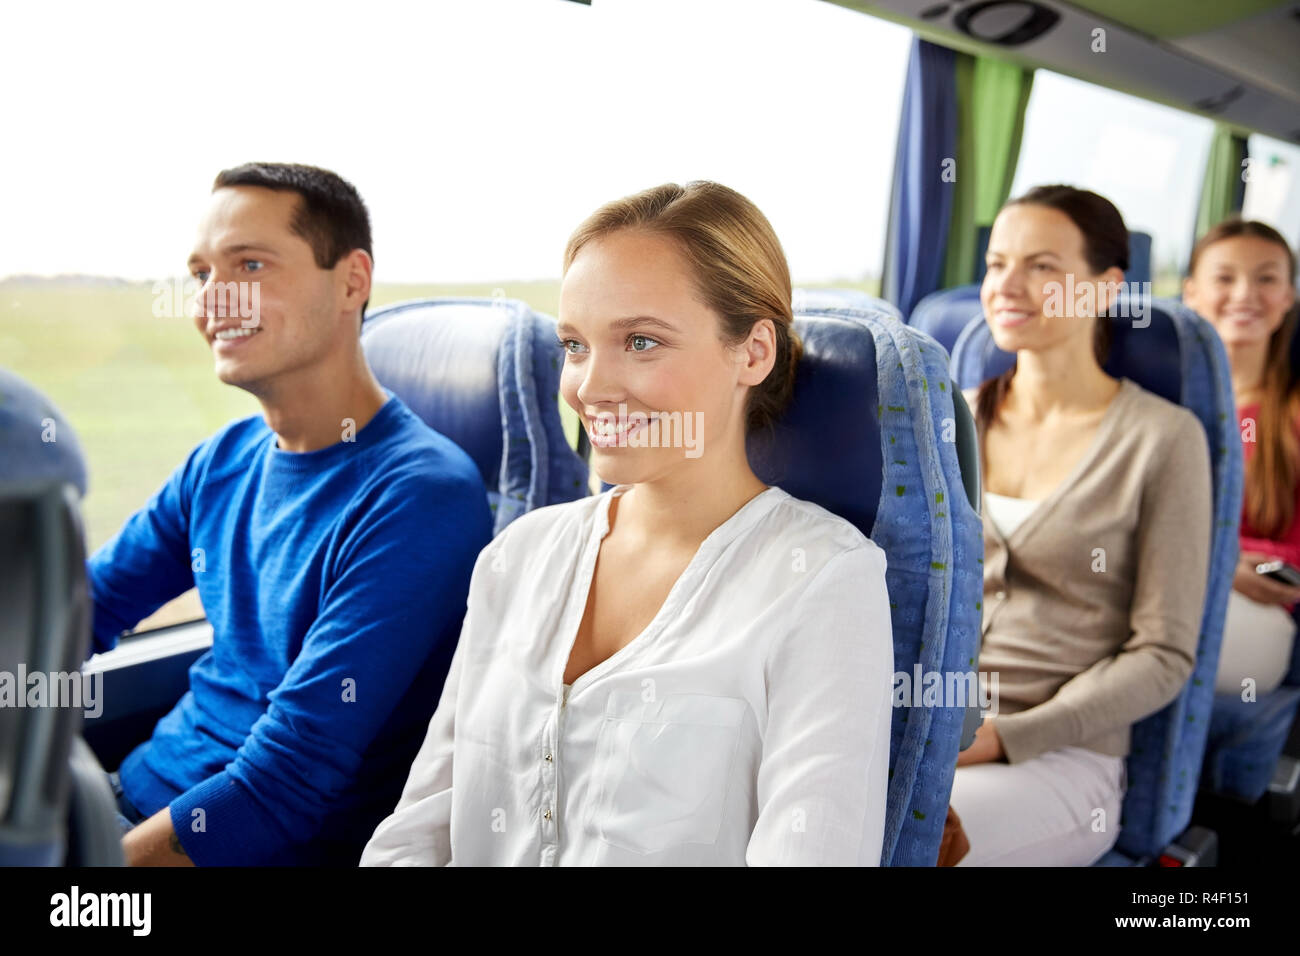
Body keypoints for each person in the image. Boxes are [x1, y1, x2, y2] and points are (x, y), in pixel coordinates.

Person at [360, 181, 894, 866]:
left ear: (753, 353)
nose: (590, 386)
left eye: (640, 341)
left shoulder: (822, 581)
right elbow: (418, 832)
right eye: (575, 345)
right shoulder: (517, 556)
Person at [88, 162, 493, 866]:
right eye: (202, 274)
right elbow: (83, 606)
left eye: (249, 264)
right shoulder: (222, 460)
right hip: (127, 797)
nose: (215, 301)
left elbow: (282, 788)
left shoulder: (420, 497)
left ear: (352, 281)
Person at [950, 185, 1212, 866]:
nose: (1008, 284)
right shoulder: (952, 417)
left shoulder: (1163, 439)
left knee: (895, 840)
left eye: (1042, 267)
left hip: (1062, 760)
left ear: (1104, 288)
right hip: (931, 727)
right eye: (996, 262)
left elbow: (1162, 655)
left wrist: (1007, 736)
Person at [1183, 218, 1300, 697]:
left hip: (1256, 609)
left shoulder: (1292, 415)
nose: (1245, 293)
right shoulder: (1155, 405)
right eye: (1225, 277)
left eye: (1267, 278)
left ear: (1288, 297)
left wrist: (1225, 565)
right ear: (1190, 293)